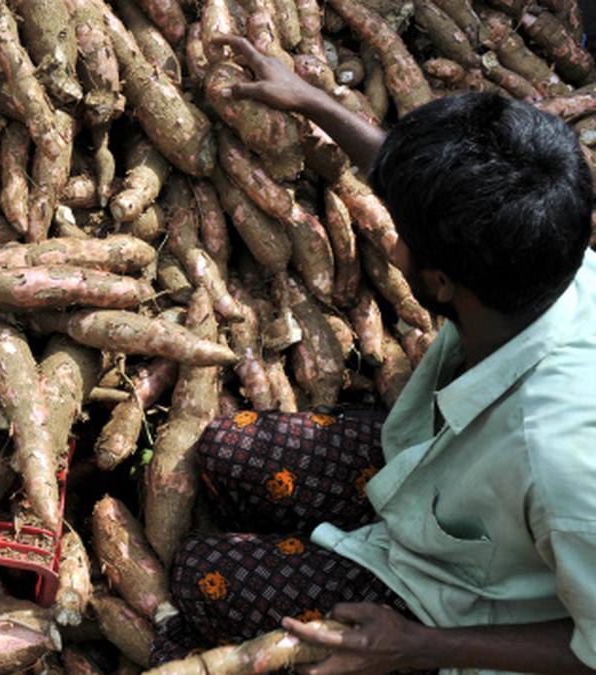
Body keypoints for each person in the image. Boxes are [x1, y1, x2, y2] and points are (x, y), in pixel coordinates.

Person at [152, 34, 596, 674]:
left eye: (401, 241)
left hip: (462, 610)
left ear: (440, 282)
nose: (390, 249)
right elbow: (437, 196)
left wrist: (417, 648)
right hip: (446, 493)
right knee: (226, 449)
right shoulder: (543, 242)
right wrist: (314, 103)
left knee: (201, 576)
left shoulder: (561, 464)